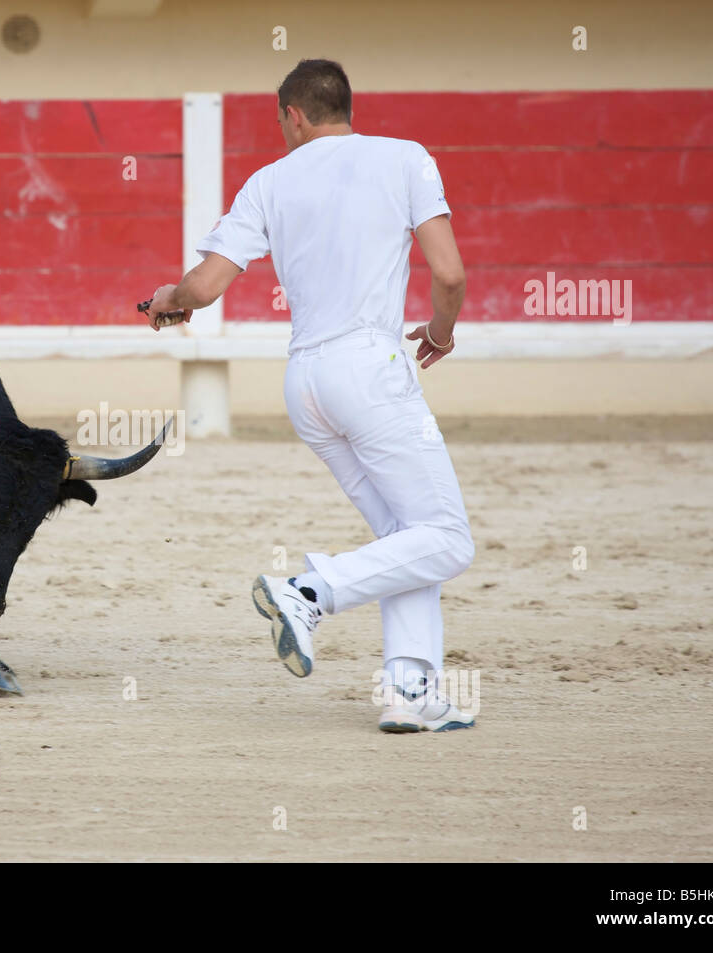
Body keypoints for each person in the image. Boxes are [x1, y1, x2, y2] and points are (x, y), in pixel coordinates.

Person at [143, 58, 476, 733]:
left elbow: (203, 289)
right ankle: (308, 592)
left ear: (294, 116)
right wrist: (441, 331)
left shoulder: (269, 180)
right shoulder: (406, 158)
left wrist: (167, 302)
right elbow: (449, 272)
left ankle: (411, 691)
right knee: (447, 537)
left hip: (307, 382)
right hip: (372, 370)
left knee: (404, 534)